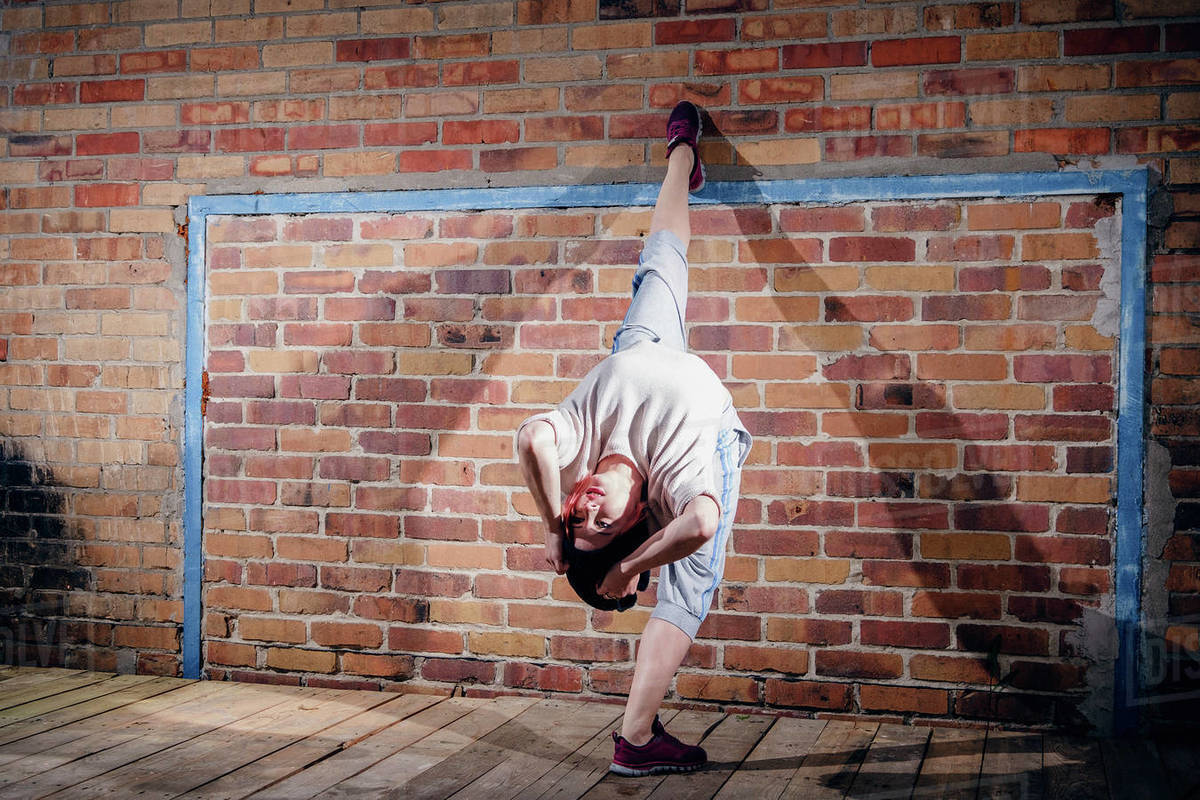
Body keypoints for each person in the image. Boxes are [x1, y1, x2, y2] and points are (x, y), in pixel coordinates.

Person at [516, 101, 752, 777]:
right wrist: (621, 571)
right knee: (687, 586)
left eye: (577, 515)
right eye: (600, 523)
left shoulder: (578, 452)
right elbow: (701, 522)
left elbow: (532, 437)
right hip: (709, 427)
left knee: (661, 261)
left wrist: (553, 526)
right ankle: (637, 738)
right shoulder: (675, 483)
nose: (587, 506)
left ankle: (682, 153)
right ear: (633, 526)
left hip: (645, 350)